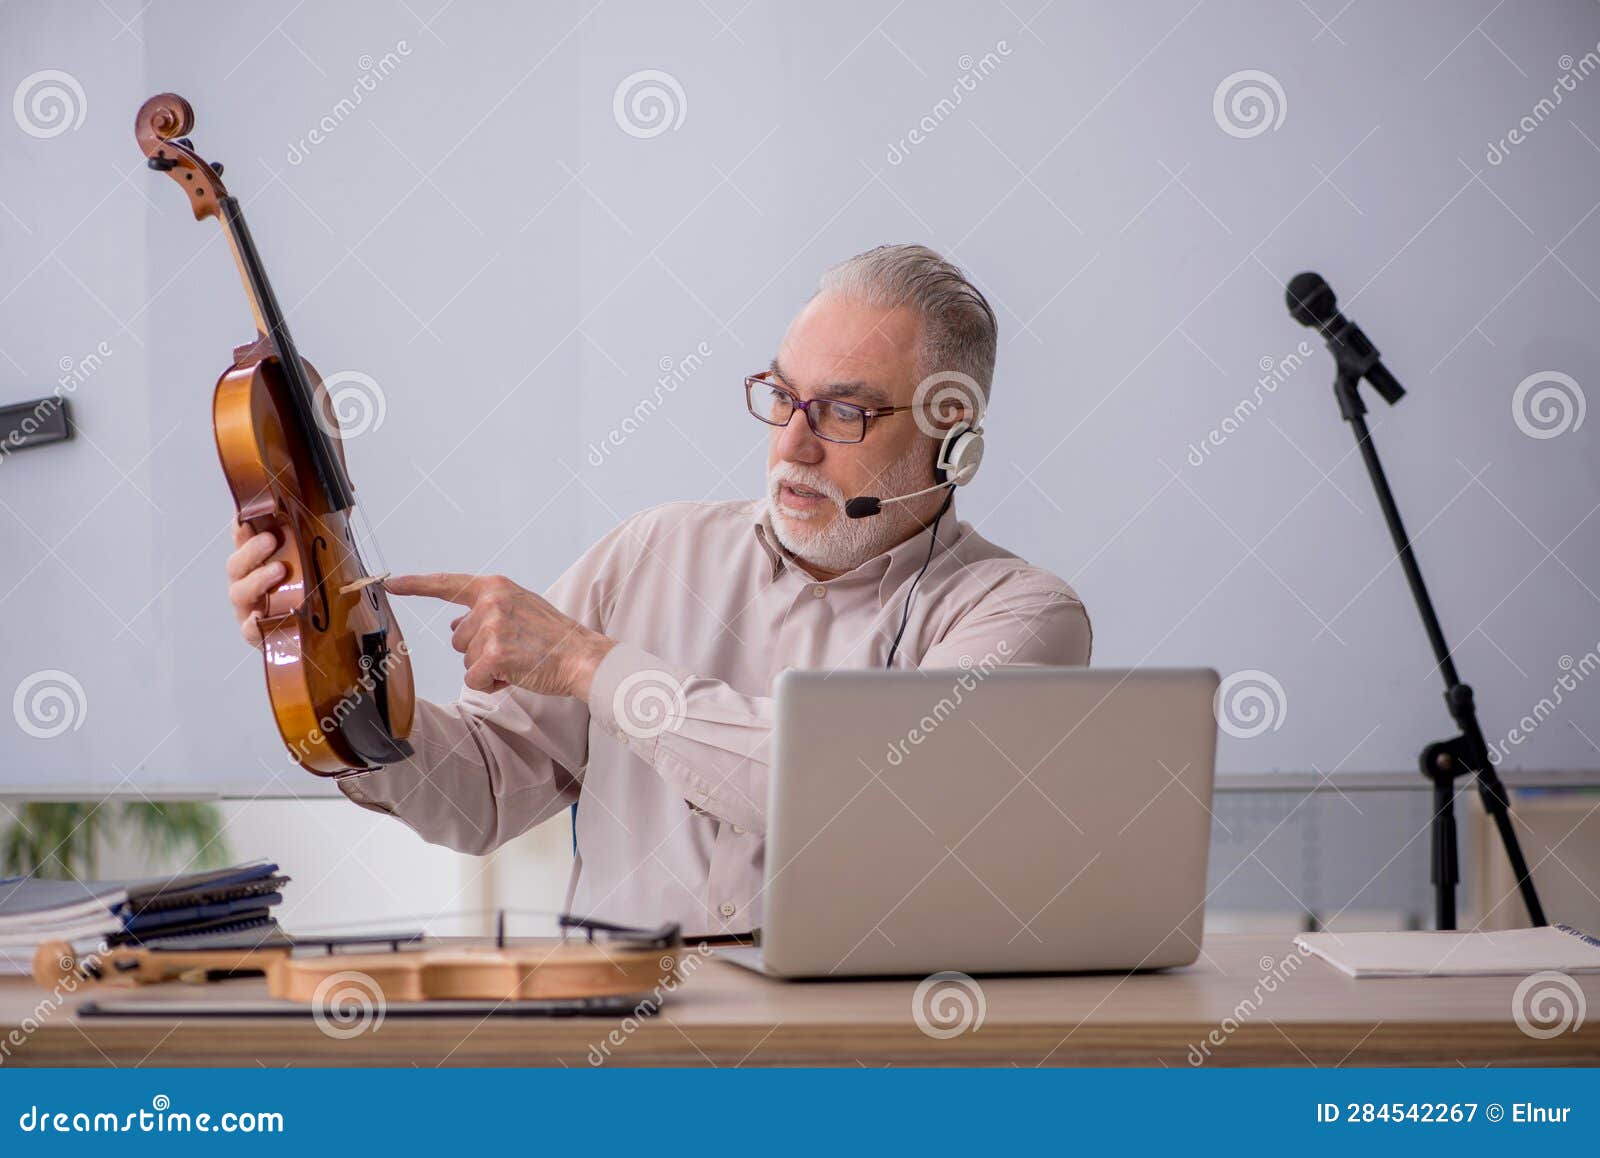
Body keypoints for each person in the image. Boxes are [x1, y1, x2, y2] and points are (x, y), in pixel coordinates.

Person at [225, 244, 1091, 935]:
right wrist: (327, 673)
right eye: (782, 395)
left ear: (952, 438)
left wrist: (593, 667)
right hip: (628, 1053)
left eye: (843, 412)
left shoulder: (1019, 617)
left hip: (860, 1064)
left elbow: (858, 796)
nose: (792, 445)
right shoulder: (652, 551)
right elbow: (484, 794)